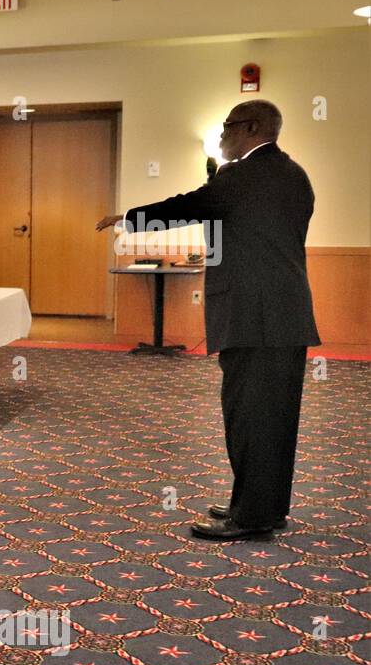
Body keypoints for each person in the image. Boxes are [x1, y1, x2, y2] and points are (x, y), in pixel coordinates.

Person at [97, 99, 319, 541]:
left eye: (228, 126)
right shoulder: (295, 174)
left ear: (252, 127)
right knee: (275, 419)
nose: (222, 135)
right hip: (285, 315)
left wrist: (129, 217)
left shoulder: (240, 176)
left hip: (252, 318)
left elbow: (190, 205)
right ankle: (263, 505)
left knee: (250, 419)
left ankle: (250, 517)